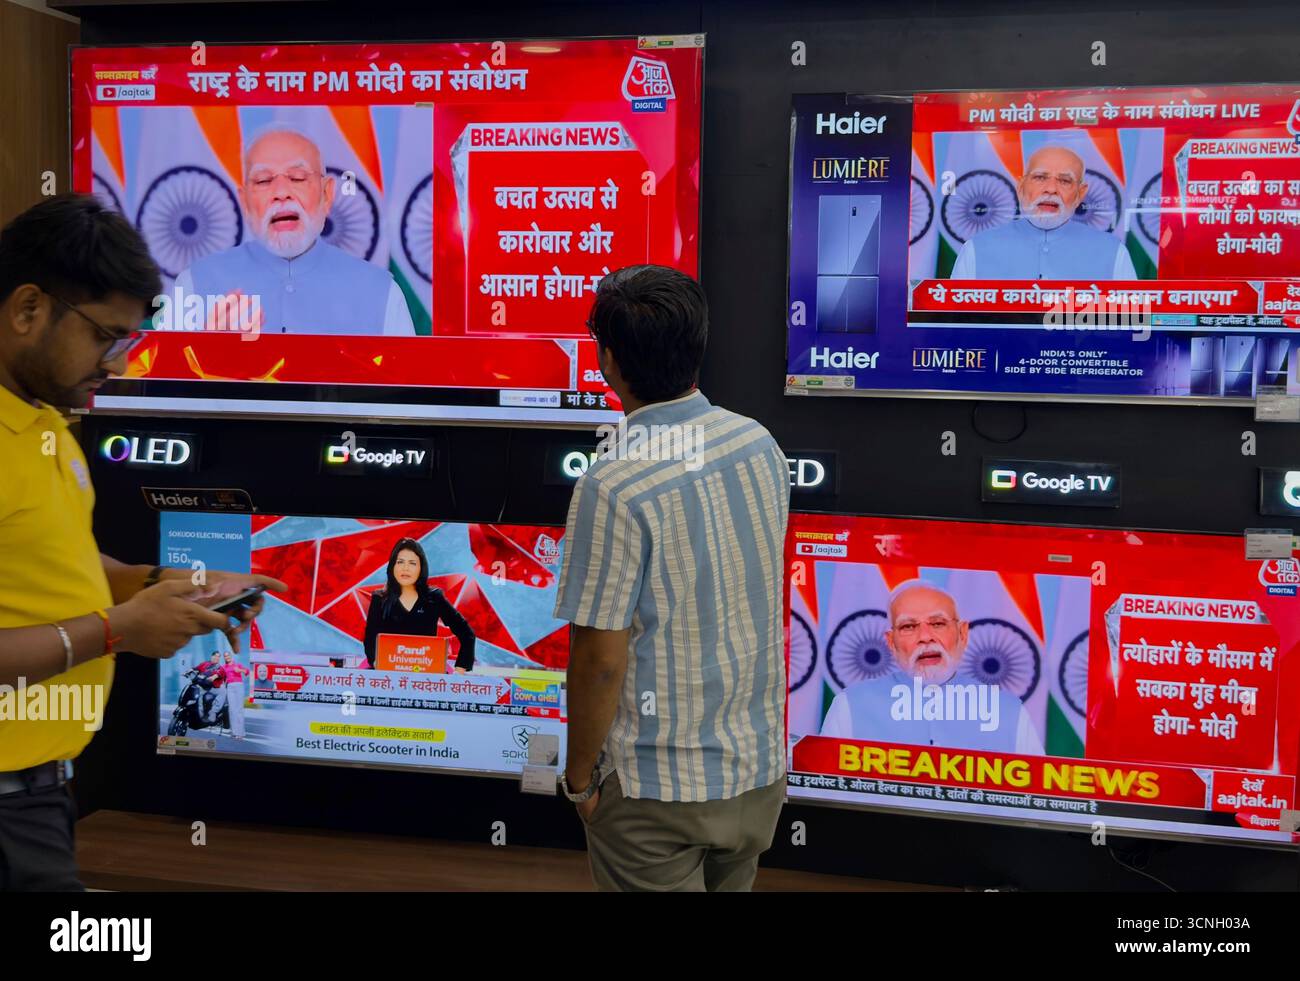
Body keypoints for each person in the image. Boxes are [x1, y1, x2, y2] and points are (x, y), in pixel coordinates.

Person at [0, 194, 285, 891]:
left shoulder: (43, 424)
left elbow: (40, 557)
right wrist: (118, 630)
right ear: (28, 309)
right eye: (106, 336)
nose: (120, 364)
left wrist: (156, 581)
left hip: (41, 795)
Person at [553, 265, 790, 892]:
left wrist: (579, 782)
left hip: (658, 792)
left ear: (607, 360)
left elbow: (600, 659)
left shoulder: (613, 483)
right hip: (757, 775)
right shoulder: (758, 444)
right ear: (698, 343)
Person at [174, 124, 415, 335]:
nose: (281, 193)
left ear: (327, 194)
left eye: (298, 178)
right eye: (263, 181)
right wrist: (206, 352)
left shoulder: (380, 293)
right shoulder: (193, 285)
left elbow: (405, 386)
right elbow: (163, 382)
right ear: (244, 201)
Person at [820, 581, 1043, 754]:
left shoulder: (1009, 711)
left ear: (963, 634)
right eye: (909, 626)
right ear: (890, 642)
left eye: (938, 623)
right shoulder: (850, 705)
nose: (925, 637)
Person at [950, 145, 1137, 281]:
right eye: (1040, 178)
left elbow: (1130, 325)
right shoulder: (977, 249)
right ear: (1021, 186)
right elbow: (953, 327)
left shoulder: (1112, 252)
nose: (1051, 189)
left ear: (1081, 193)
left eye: (1064, 181)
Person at [363, 538, 476, 672]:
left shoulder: (434, 598)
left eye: (412, 563)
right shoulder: (379, 599)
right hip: (388, 676)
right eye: (400, 562)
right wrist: (378, 664)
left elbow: (467, 633)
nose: (405, 568)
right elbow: (370, 640)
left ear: (421, 568)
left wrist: (460, 668)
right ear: (392, 566)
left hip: (426, 676)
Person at [220, 652, 251, 739]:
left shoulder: (238, 665)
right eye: (225, 656)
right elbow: (221, 677)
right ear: (224, 658)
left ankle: (240, 733)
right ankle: (234, 732)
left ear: (231, 656)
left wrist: (240, 670)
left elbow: (247, 671)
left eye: (228, 655)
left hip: (238, 685)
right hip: (229, 687)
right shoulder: (223, 667)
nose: (227, 657)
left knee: (239, 709)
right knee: (232, 710)